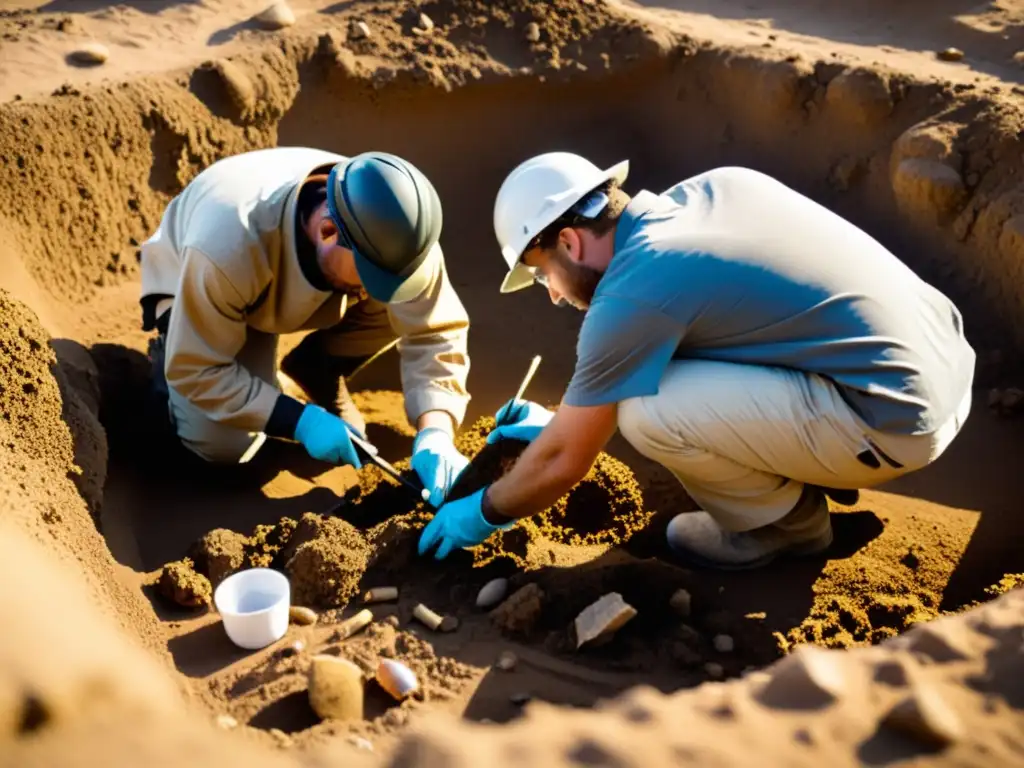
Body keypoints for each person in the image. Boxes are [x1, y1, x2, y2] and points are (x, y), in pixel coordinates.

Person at [418, 151, 975, 568]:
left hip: (894, 421)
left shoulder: (632, 292)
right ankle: (806, 466)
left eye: (542, 273)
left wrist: (480, 513)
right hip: (944, 363)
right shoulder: (721, 189)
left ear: (569, 240)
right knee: (664, 378)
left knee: (643, 410)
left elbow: (565, 462)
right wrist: (557, 426)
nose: (553, 294)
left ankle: (788, 529)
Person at [139, 146, 472, 507]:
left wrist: (436, 431)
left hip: (276, 279)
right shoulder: (226, 247)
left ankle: (318, 368)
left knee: (395, 295)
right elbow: (199, 369)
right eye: (371, 276)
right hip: (196, 283)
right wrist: (301, 422)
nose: (378, 290)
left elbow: (434, 331)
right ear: (328, 231)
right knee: (224, 445)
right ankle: (167, 356)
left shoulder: (399, 236)